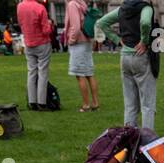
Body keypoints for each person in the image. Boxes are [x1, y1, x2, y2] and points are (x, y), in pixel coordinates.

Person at [97, 0, 155, 129]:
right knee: (147, 103)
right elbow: (145, 23)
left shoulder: (122, 9)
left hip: (124, 57)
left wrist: (117, 40)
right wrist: (144, 41)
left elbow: (102, 22)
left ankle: (128, 137)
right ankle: (147, 138)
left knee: (130, 104)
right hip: (141, 56)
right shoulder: (146, 8)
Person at [17, 0, 52, 109]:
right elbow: (46, 30)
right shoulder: (40, 8)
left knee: (31, 72)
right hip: (42, 43)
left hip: (28, 42)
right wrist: (50, 25)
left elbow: (20, 23)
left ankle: (32, 101)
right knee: (42, 72)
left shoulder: (20, 6)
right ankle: (42, 102)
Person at [65, 0, 99, 111]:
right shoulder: (82, 3)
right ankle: (95, 103)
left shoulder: (72, 4)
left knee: (79, 75)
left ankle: (85, 105)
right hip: (87, 41)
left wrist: (71, 40)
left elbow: (75, 26)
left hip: (78, 42)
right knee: (89, 73)